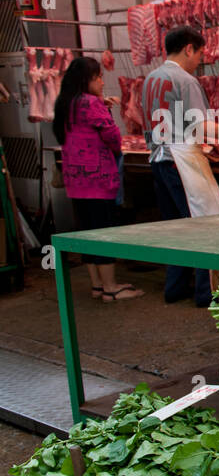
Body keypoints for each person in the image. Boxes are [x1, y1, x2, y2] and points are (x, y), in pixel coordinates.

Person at [142, 25, 219, 307]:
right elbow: (201, 126)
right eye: (200, 53)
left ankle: (175, 288)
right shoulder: (185, 80)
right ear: (189, 48)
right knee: (203, 227)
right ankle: (206, 292)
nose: (200, 59)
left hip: (157, 158)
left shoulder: (151, 78)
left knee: (176, 228)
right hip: (180, 160)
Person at [52, 56, 143, 302]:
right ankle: (111, 287)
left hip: (76, 181)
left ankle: (97, 286)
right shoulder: (91, 103)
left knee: (86, 233)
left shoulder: (66, 103)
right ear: (86, 80)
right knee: (103, 233)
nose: (103, 82)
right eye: (99, 77)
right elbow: (112, 135)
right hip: (96, 179)